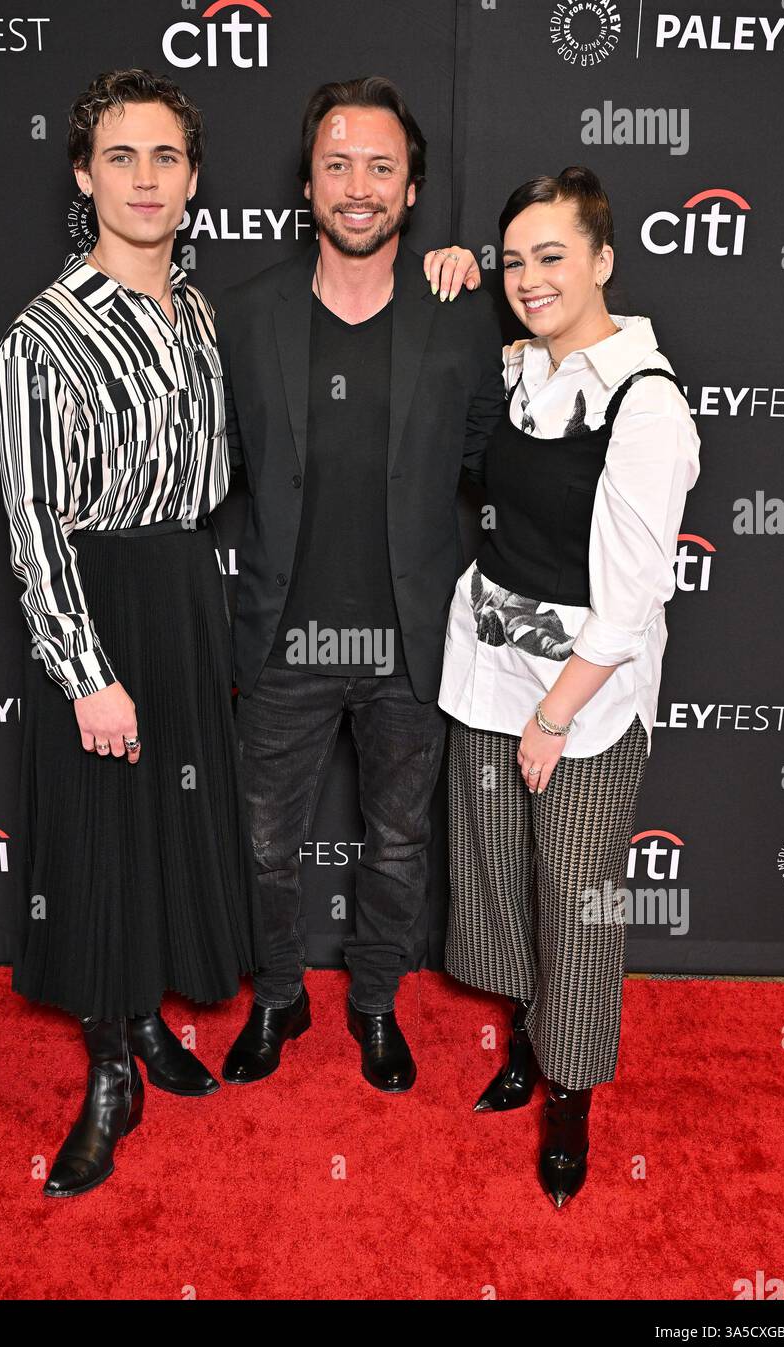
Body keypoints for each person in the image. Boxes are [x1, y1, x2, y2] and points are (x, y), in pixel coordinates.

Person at [0, 68, 263, 1197]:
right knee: (102, 835)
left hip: (186, 585)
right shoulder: (40, 339)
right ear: (83, 174)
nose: (143, 179)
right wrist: (85, 673)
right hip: (98, 602)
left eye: (164, 159)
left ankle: (148, 1021)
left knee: (172, 821)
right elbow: (34, 523)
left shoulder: (198, 309)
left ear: (193, 180)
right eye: (120, 157)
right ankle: (109, 1071)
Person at [215, 76, 504, 1092]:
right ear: (307, 184)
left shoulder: (459, 313)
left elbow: (481, 450)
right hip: (284, 641)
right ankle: (280, 995)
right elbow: (223, 461)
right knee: (262, 844)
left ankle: (375, 1003)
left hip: (410, 642)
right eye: (337, 164)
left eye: (381, 167)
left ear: (411, 189)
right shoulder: (244, 314)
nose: (357, 186)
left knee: (397, 844)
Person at [438, 166, 701, 1206]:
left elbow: (632, 600)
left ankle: (569, 1098)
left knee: (578, 900)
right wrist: (449, 282)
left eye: (552, 256)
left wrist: (555, 716)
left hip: (581, 702)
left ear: (601, 259)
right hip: (488, 667)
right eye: (513, 260)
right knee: (500, 876)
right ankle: (522, 1041)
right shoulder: (519, 372)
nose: (529, 277)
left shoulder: (647, 404)